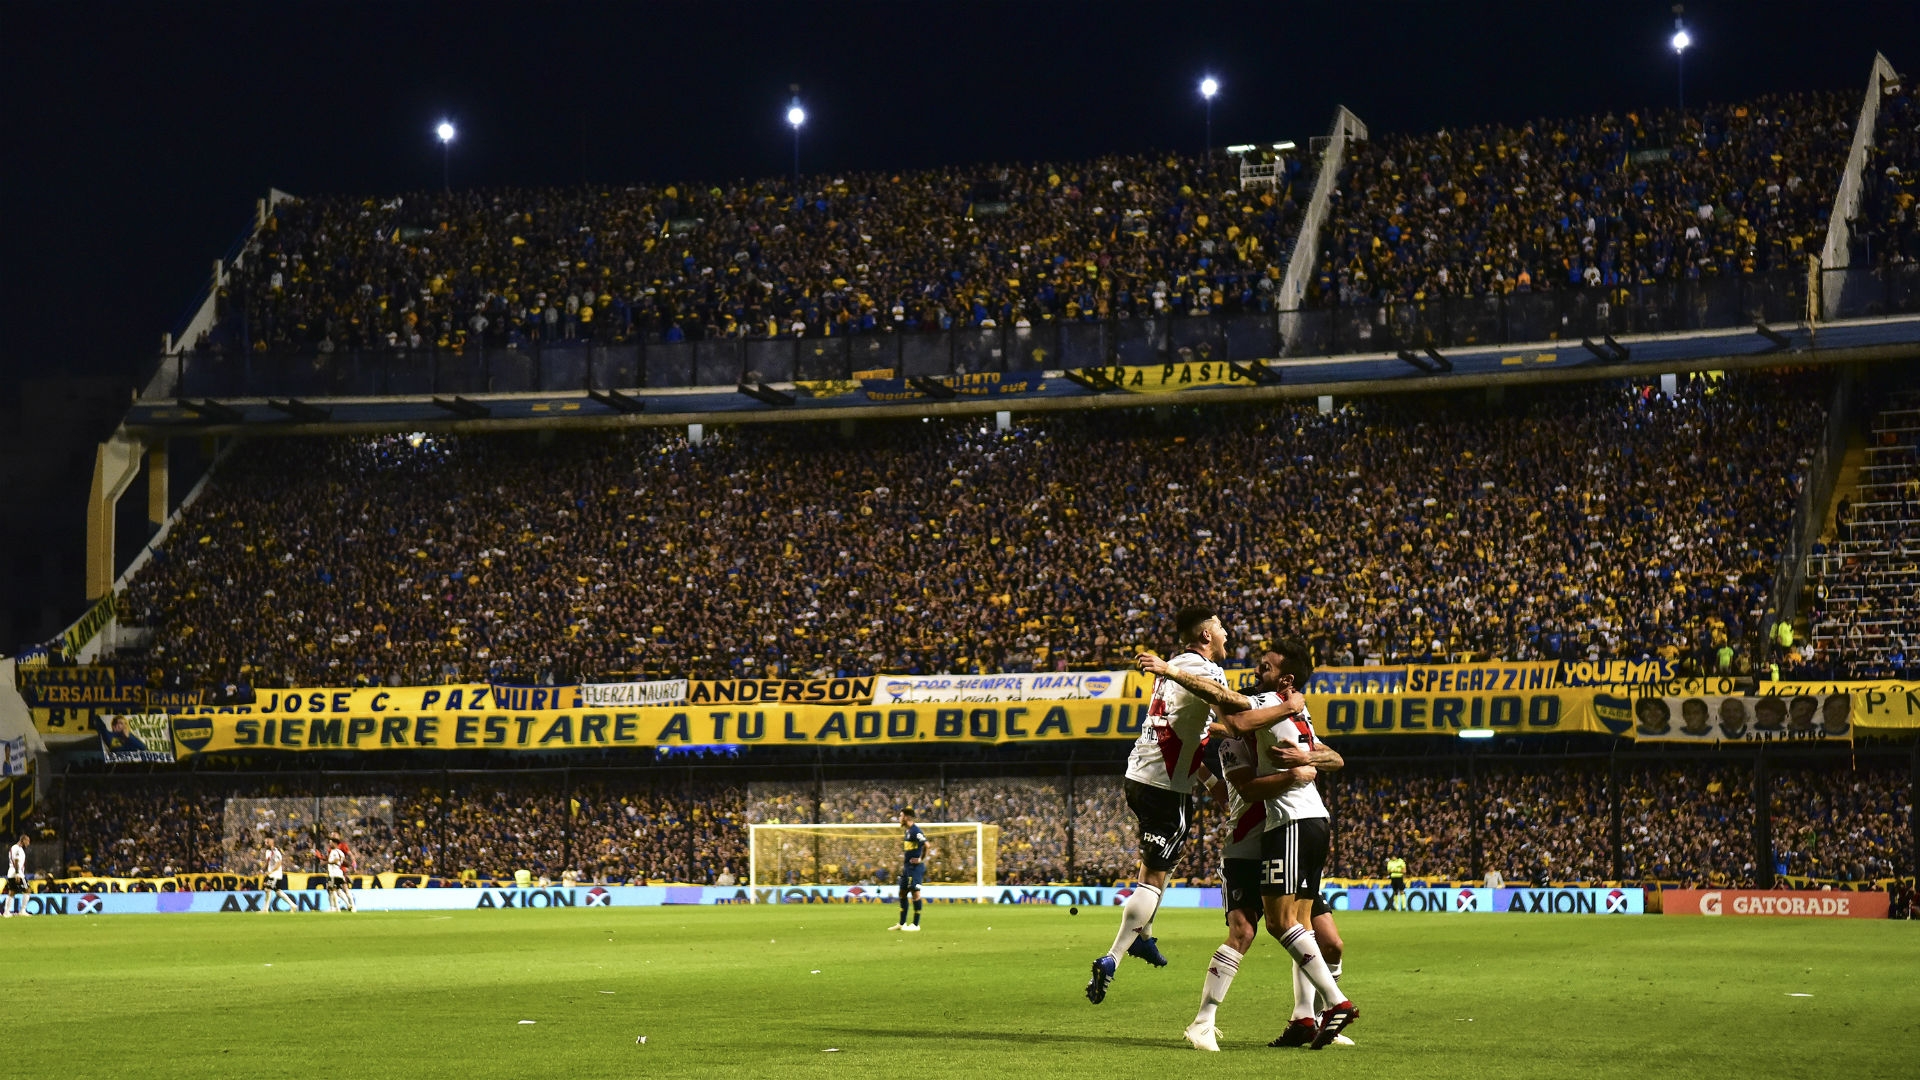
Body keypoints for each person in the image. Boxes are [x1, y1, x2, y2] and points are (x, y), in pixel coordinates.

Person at [1145, 640, 1356, 1049]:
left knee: (1320, 936)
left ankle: (1306, 1018)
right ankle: (1204, 1021)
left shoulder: (1276, 712)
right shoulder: (1230, 741)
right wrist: (1293, 774)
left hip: (1286, 833)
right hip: (1247, 839)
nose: (1257, 670)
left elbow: (1334, 758)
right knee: (1245, 930)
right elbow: (1242, 788)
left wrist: (1306, 760)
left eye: (1265, 666)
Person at [1086, 605, 1228, 1005]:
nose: (1226, 634)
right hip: (1166, 788)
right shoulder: (1203, 671)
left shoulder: (1178, 665)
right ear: (1205, 636)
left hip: (1139, 777)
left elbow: (1185, 732)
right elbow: (1231, 716)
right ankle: (1114, 955)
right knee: (1155, 878)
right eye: (1219, 627)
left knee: (1153, 864)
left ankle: (1144, 937)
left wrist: (1211, 781)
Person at [889, 808, 928, 932]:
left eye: (901, 816)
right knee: (902, 893)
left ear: (906, 817)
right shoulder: (908, 831)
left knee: (915, 894)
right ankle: (902, 923)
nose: (899, 819)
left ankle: (916, 924)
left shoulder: (915, 831)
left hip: (914, 868)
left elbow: (927, 845)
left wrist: (920, 859)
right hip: (907, 868)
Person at [324, 834, 357, 913]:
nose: (332, 836)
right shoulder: (331, 850)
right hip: (336, 871)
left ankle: (349, 906)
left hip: (339, 871)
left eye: (334, 835)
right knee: (332, 889)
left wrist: (354, 865)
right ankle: (336, 906)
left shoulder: (342, 846)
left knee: (339, 889)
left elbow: (348, 856)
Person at [261, 835, 294, 912]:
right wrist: (262, 870)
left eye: (267, 842)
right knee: (278, 891)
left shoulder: (276, 852)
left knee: (267, 889)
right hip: (271, 874)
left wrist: (270, 872)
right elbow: (267, 862)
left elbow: (278, 864)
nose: (265, 843)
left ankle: (265, 909)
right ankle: (293, 905)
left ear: (272, 842)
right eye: (265, 842)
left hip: (275, 874)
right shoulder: (268, 852)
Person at [3, 835, 29, 917]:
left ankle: (6, 912)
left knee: (12, 892)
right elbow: (16, 861)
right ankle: (23, 910)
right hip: (17, 874)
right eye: (28, 841)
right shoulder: (17, 848)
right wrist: (18, 873)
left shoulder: (15, 848)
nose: (28, 843)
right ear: (23, 840)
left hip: (11, 873)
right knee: (27, 890)